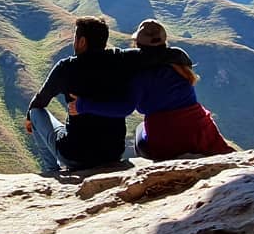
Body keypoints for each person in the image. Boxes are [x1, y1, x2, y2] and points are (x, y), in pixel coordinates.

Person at [72, 19, 234, 160]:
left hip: (168, 136)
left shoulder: (139, 76)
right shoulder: (180, 66)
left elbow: (125, 108)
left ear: (137, 45)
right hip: (201, 130)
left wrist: (83, 106)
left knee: (140, 131)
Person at [25, 16, 128, 175]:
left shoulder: (67, 67)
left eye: (75, 38)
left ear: (82, 42)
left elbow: (40, 102)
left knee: (34, 113)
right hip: (113, 154)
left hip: (76, 156)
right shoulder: (119, 61)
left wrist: (28, 119)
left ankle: (52, 171)